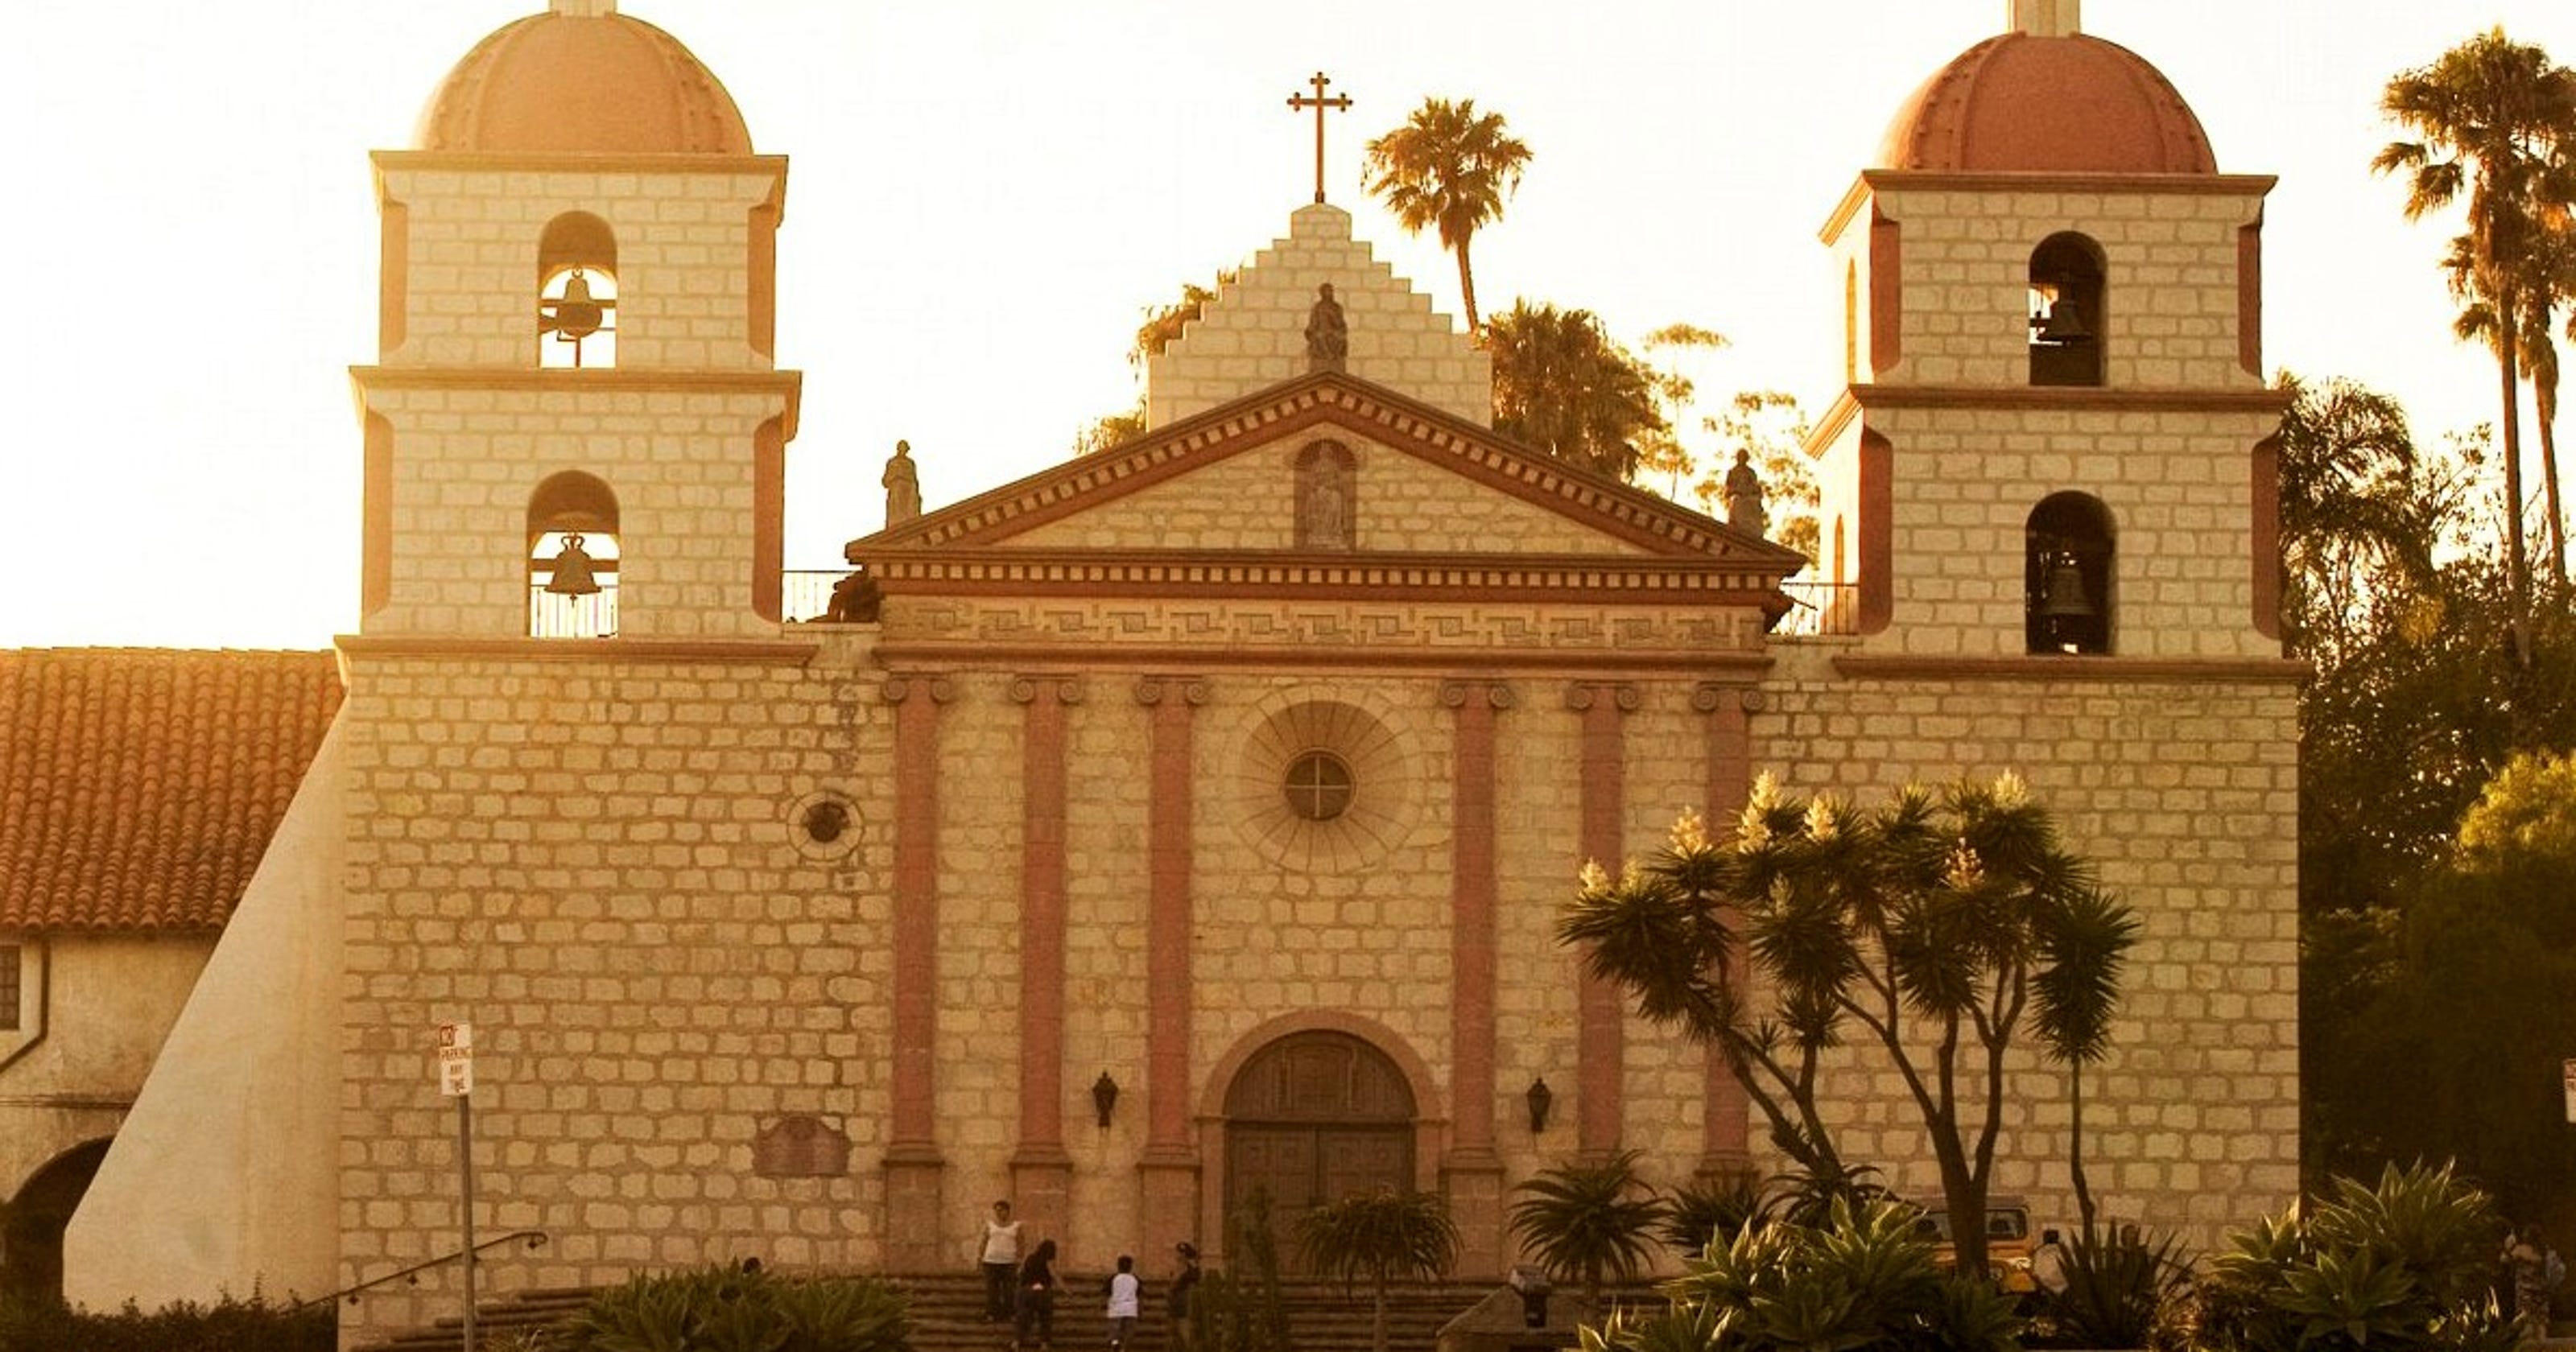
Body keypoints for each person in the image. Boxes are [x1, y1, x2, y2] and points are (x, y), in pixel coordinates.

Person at [980, 1200, 1022, 1323]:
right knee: (992, 1290)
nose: (998, 1213)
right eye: (996, 1211)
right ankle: (992, 1314)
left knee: (1009, 1290)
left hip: (1009, 1262)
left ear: (1007, 1211)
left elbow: (1021, 1243)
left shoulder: (1016, 1226)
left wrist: (1020, 1259)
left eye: (1001, 1210)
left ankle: (1009, 1313)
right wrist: (980, 1256)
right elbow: (984, 1241)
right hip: (991, 1261)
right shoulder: (990, 1225)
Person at [1015, 1238, 1060, 1351]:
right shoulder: (1048, 1260)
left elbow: (1019, 1271)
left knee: (1024, 1318)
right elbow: (1053, 1274)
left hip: (1027, 1290)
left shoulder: (1029, 1257)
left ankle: (1016, 1342)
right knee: (1045, 1318)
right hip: (1043, 1291)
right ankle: (1044, 1344)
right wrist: (1066, 1289)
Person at [1167, 1242, 1202, 1352]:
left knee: (1183, 1329)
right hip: (1176, 1300)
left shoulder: (1191, 1269)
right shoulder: (1178, 1267)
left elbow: (1192, 1281)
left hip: (1184, 1300)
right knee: (1174, 1329)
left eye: (1181, 1253)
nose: (1178, 1255)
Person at [1105, 1254, 1141, 1352]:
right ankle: (1124, 1349)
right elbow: (1140, 1296)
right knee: (1128, 1333)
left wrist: (1100, 1307)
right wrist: (1141, 1310)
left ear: (1118, 1266)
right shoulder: (1135, 1279)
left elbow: (1106, 1293)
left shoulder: (1113, 1278)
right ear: (1131, 1267)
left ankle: (1115, 1344)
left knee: (1114, 1333)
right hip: (1131, 1309)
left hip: (1116, 1309)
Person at [2029, 1227, 2070, 1306]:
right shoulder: (2065, 1251)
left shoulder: (2039, 1252)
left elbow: (2035, 1270)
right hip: (2064, 1289)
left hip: (2045, 1288)